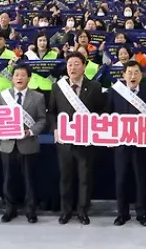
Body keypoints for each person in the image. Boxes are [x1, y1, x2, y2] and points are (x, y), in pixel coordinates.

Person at [48, 52, 108, 225]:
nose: (72, 68)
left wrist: (95, 125)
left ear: (84, 66)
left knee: (85, 178)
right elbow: (51, 111)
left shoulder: (95, 86)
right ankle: (66, 211)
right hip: (65, 142)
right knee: (65, 178)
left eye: (76, 64)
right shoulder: (58, 87)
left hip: (85, 141)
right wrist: (55, 129)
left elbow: (103, 110)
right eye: (69, 64)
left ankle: (83, 211)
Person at [108, 60, 146, 227]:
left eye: (136, 72)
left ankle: (142, 214)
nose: (132, 76)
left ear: (141, 75)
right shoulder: (115, 92)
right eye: (129, 72)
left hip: (141, 144)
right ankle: (122, 214)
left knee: (140, 179)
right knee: (121, 179)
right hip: (121, 144)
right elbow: (107, 114)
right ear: (123, 75)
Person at [0, 64, 47, 224]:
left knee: (29, 180)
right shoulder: (3, 96)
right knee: (8, 179)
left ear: (29, 78)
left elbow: (42, 119)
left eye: (22, 75)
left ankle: (30, 210)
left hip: (28, 143)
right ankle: (9, 210)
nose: (19, 78)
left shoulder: (38, 97)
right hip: (7, 144)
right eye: (16, 75)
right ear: (12, 78)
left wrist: (30, 131)